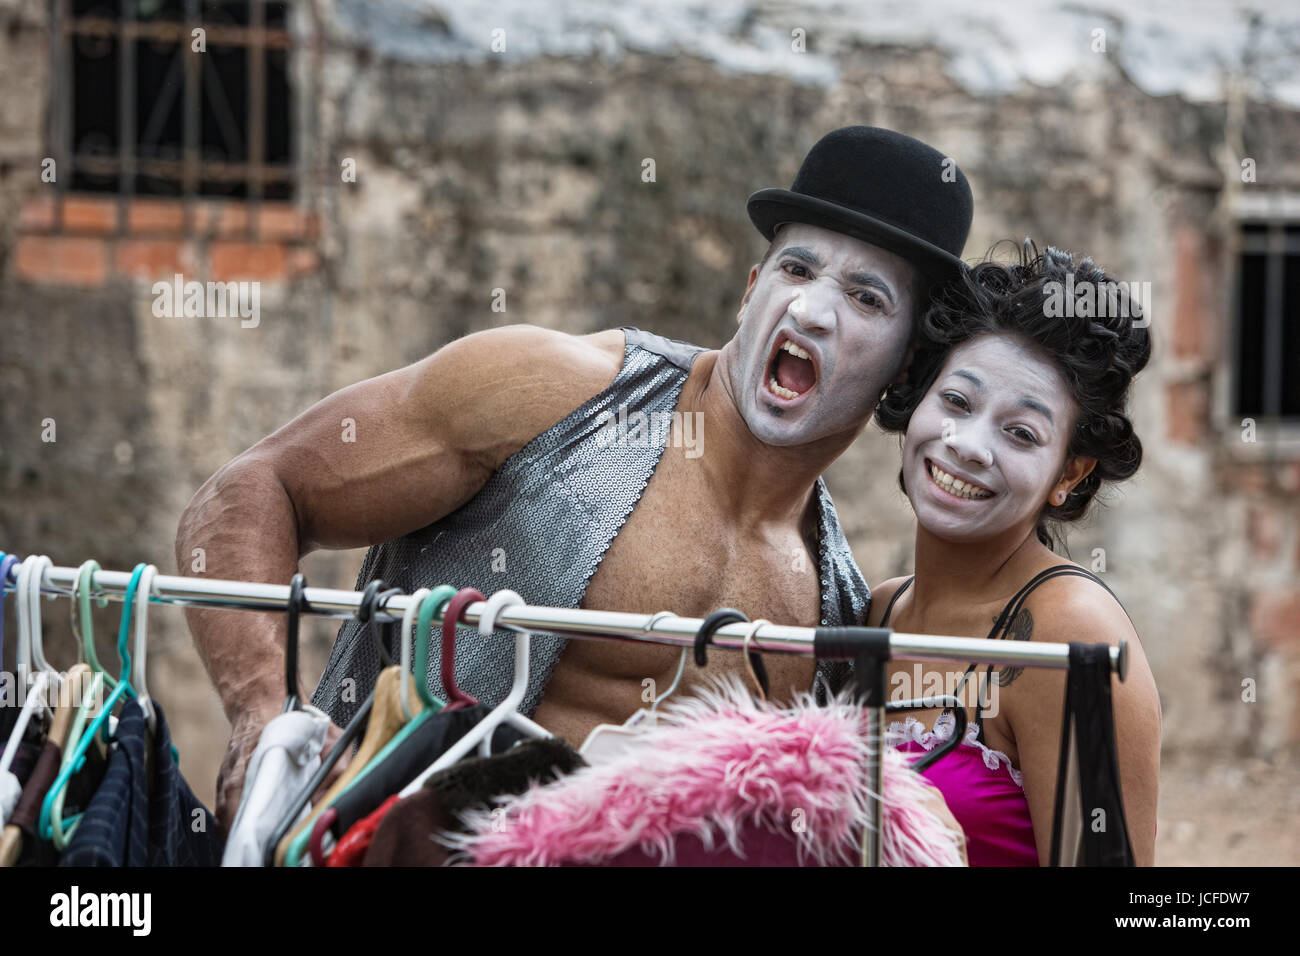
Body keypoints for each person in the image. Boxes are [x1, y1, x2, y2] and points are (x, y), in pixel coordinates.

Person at [175, 126, 975, 833]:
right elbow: (254, 488)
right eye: (796, 268)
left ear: (905, 365)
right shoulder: (559, 393)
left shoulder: (831, 605)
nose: (811, 313)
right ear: (748, 290)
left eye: (866, 298)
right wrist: (259, 717)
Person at [867, 245, 1161, 865]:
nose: (970, 446)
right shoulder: (876, 612)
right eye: (956, 402)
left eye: (1021, 433)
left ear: (1069, 474)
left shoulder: (1070, 637)